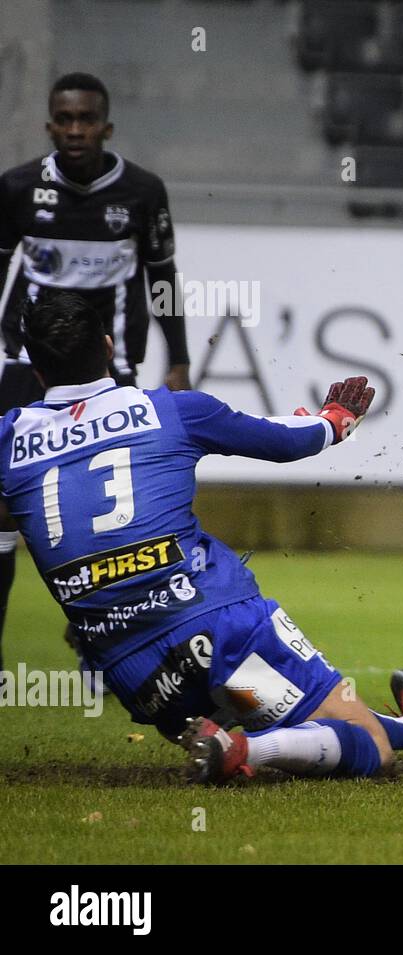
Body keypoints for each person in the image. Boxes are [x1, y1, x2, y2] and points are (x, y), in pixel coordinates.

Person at [0, 291, 403, 782]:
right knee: (368, 747)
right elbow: (286, 440)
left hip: (135, 672)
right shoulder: (173, 410)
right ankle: (248, 752)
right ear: (108, 344)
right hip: (217, 623)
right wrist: (335, 421)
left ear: (35, 370)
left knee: (305, 719)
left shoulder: (8, 440)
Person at [0, 72, 193, 674]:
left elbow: (161, 279)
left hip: (113, 368)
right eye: (66, 119)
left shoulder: (141, 192)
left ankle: (101, 646)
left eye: (87, 120)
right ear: (50, 125)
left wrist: (179, 358)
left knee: (115, 509)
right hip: (24, 365)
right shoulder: (15, 189)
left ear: (107, 128)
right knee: (2, 512)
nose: (76, 130)